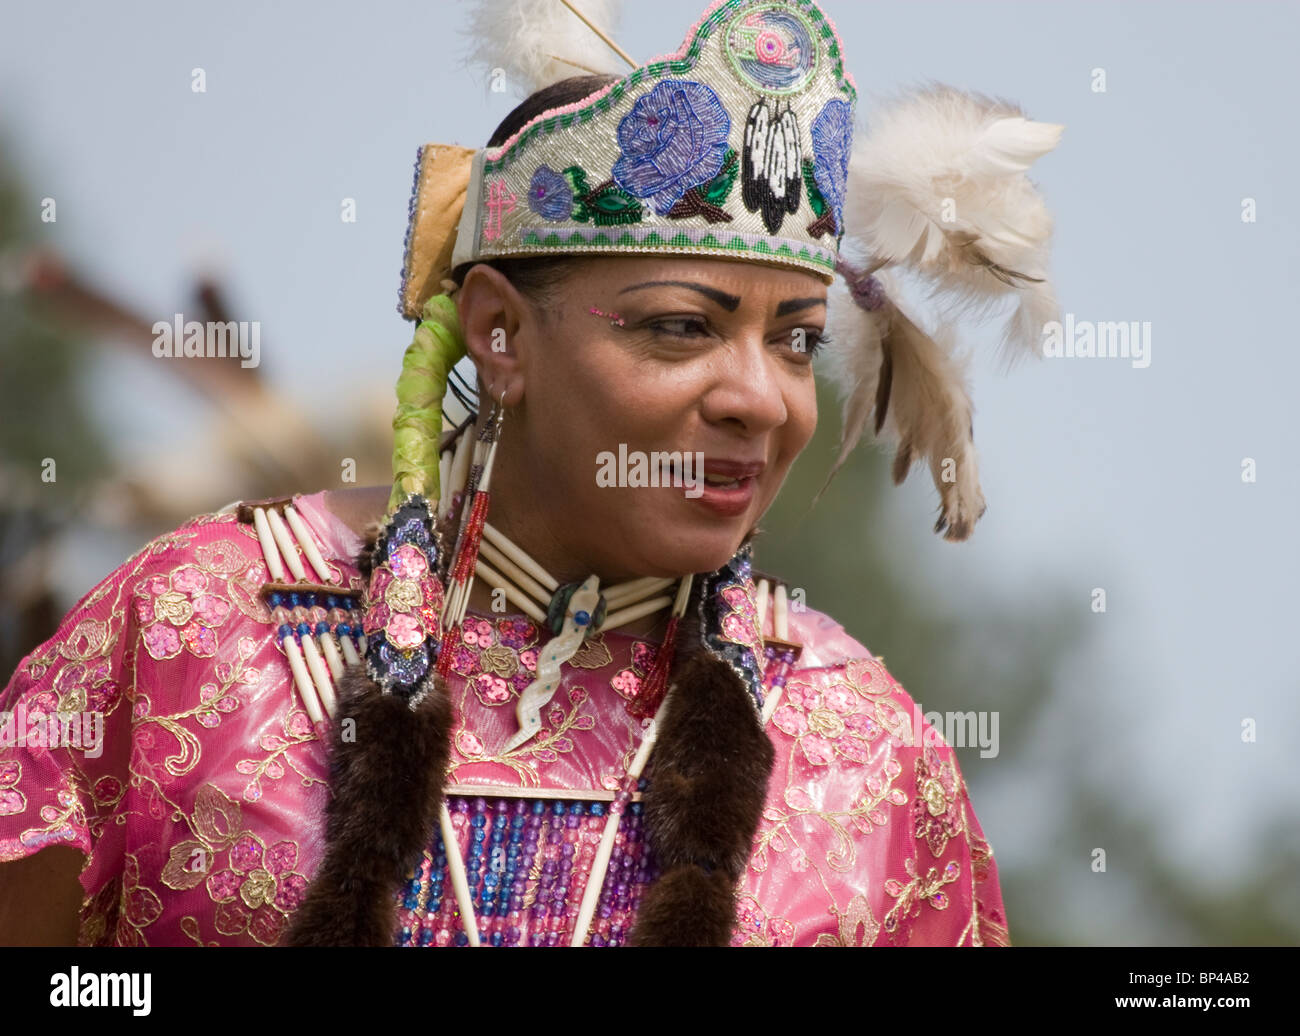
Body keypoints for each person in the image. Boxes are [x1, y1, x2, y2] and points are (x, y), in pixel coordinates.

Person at [0, 0, 1061, 947]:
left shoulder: (869, 752)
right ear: (501, 333)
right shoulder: (199, 628)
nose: (761, 397)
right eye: (683, 327)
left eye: (793, 341)